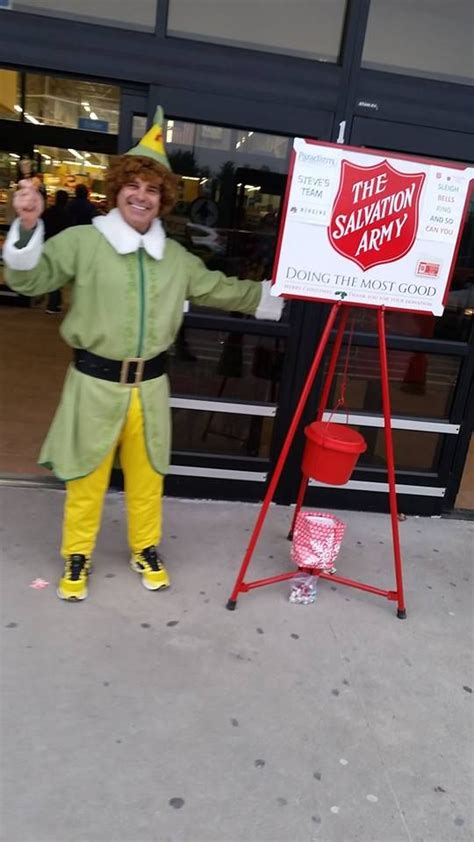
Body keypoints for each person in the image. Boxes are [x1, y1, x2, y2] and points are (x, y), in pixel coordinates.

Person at [3, 106, 282, 602]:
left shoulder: (174, 258)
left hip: (150, 389)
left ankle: (145, 546)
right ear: (117, 191)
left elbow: (221, 289)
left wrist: (280, 293)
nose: (141, 196)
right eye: (133, 185)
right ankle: (77, 553)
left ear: (163, 200)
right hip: (93, 385)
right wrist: (26, 227)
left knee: (149, 476)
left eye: (152, 190)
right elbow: (29, 278)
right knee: (87, 478)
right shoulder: (83, 242)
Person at [42, 189, 71, 313]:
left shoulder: (48, 212)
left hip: (48, 244)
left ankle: (54, 302)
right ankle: (54, 303)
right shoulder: (67, 214)